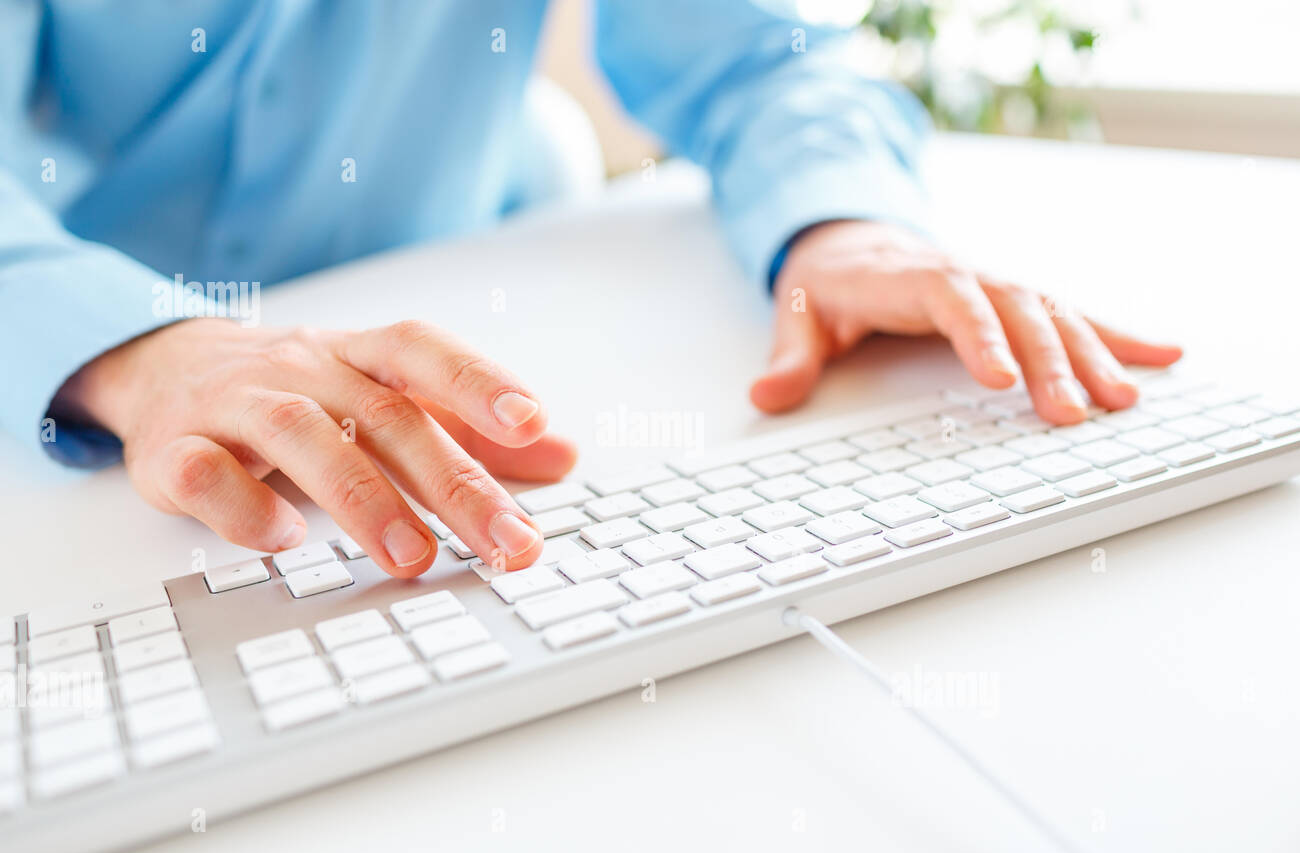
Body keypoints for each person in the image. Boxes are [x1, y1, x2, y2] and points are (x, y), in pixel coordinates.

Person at [0, 1, 1181, 578]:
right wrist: (144, 349)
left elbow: (758, 58)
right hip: (86, 376)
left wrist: (838, 220)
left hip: (472, 310)